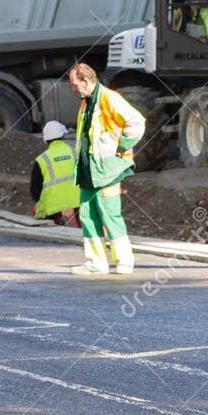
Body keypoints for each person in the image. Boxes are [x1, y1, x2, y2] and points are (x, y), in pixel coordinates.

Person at [67, 63, 146, 276]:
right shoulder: (86, 103)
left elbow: (136, 122)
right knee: (88, 216)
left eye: (74, 84)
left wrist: (122, 147)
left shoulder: (109, 99)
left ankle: (124, 261)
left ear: (86, 81)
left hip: (106, 170)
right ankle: (96, 262)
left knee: (110, 215)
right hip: (88, 171)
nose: (73, 89)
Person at [30, 120, 80, 228]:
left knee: (36, 212)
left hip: (52, 207)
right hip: (78, 203)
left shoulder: (42, 159)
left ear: (46, 140)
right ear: (63, 135)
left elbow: (35, 189)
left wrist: (40, 205)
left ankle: (59, 221)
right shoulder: (74, 152)